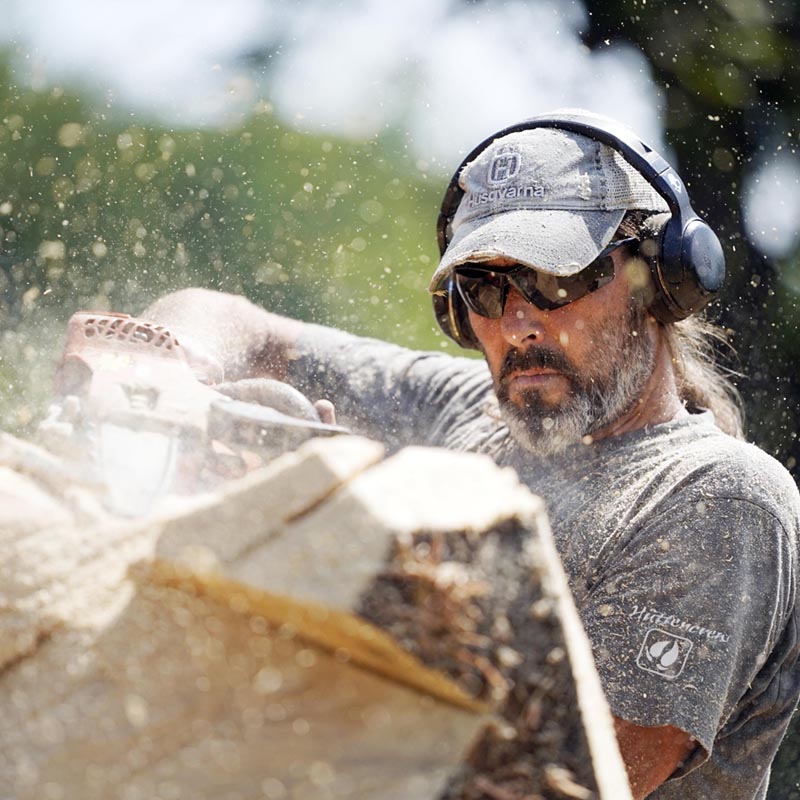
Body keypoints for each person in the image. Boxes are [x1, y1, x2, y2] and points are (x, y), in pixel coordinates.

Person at [144, 111, 800, 800]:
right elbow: (237, 324)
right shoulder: (463, 410)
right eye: (486, 288)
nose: (518, 323)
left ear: (657, 281)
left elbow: (567, 784)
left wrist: (342, 563)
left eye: (554, 280)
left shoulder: (717, 500)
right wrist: (156, 362)